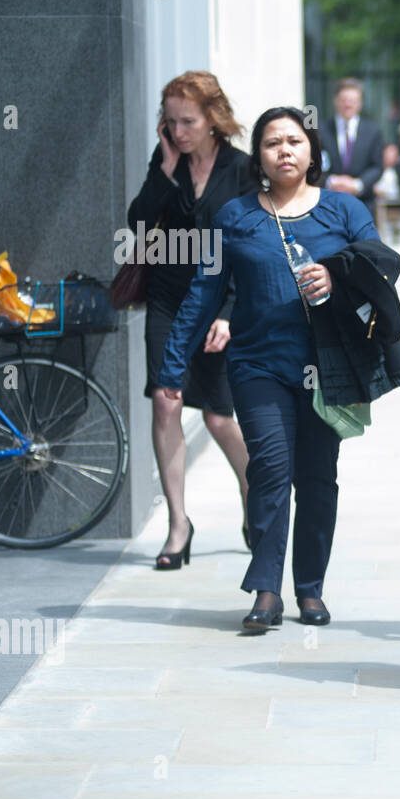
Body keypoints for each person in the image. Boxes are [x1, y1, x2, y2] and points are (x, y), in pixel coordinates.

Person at [159, 106, 396, 631]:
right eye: (272, 143)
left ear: (312, 151)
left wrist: (334, 276)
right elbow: (203, 294)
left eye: (294, 140)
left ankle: (309, 588)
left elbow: (382, 262)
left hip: (327, 368)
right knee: (268, 469)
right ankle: (266, 589)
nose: (284, 150)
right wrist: (171, 369)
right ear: (259, 157)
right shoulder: (236, 216)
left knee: (317, 477)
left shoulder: (343, 209)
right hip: (257, 365)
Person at [126, 70, 254, 571]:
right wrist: (164, 167)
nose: (178, 131)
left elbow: (251, 247)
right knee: (166, 401)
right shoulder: (168, 166)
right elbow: (136, 226)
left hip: (221, 301)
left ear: (213, 119)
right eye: (171, 122)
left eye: (188, 122)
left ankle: (253, 488)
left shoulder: (243, 171)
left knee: (220, 417)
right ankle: (178, 523)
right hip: (167, 299)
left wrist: (229, 313)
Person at [319, 78, 386, 215]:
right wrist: (332, 181)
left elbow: (377, 166)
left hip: (363, 204)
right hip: (328, 204)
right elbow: (313, 163)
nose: (348, 105)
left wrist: (357, 184)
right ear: (335, 100)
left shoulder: (373, 131)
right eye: (344, 100)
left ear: (360, 103)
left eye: (353, 101)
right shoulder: (321, 130)